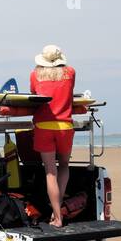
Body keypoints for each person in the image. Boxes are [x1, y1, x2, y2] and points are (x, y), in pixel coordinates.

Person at [28, 44, 77, 228]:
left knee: (50, 171)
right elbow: (69, 94)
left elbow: (34, 95)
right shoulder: (70, 72)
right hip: (65, 125)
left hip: (43, 126)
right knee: (64, 165)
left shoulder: (35, 75)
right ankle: (57, 210)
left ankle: (57, 217)